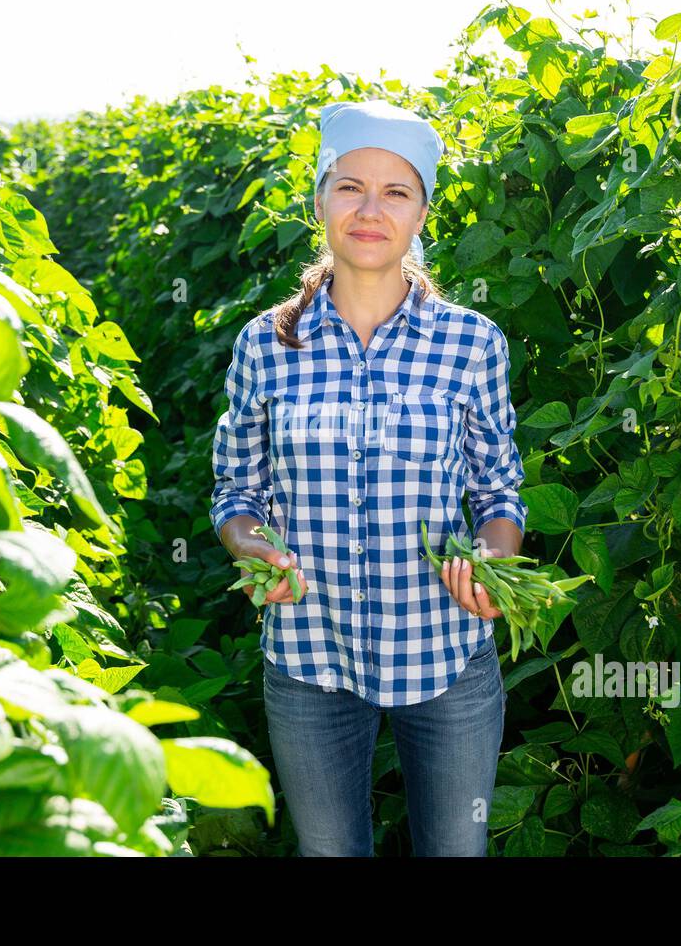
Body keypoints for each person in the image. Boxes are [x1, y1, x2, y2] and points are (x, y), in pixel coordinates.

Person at [209, 99, 527, 856]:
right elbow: (236, 492)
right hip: (309, 660)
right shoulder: (265, 346)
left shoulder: (471, 343)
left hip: (445, 656)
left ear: (422, 213)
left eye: (397, 192)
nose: (370, 210)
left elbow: (498, 491)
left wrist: (494, 560)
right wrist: (253, 550)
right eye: (350, 187)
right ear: (320, 200)